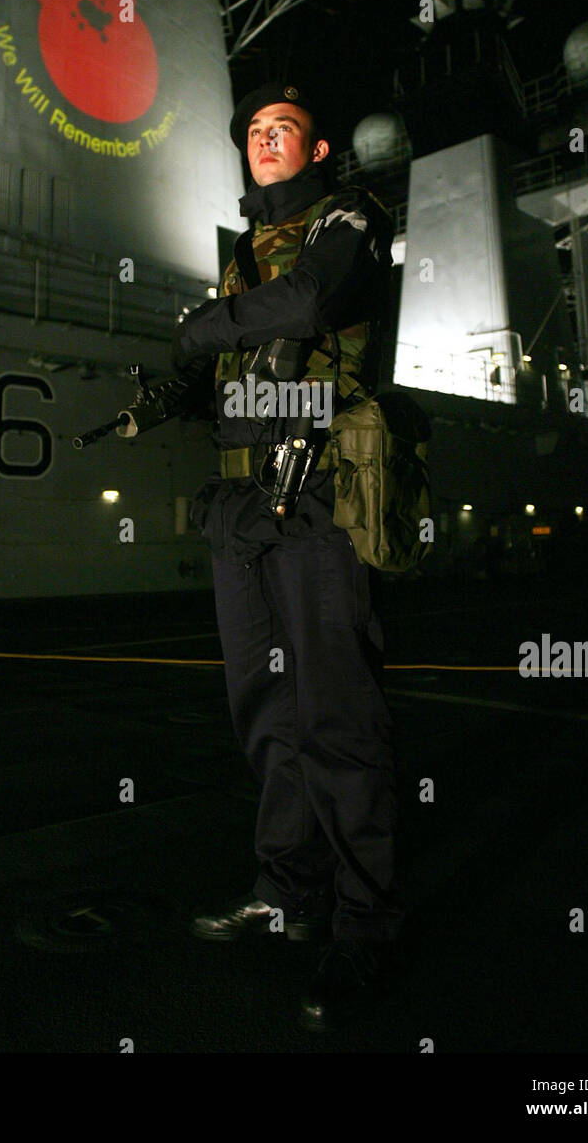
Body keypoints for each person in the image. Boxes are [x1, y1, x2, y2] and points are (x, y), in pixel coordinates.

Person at [170, 82, 401, 1031]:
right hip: (244, 501)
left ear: (316, 151)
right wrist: (183, 381)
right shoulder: (241, 254)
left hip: (320, 498)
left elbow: (315, 301)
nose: (266, 142)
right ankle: (289, 894)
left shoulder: (346, 217)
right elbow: (239, 369)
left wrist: (201, 327)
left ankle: (367, 927)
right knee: (265, 710)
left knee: (336, 714)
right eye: (254, 132)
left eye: (284, 132)